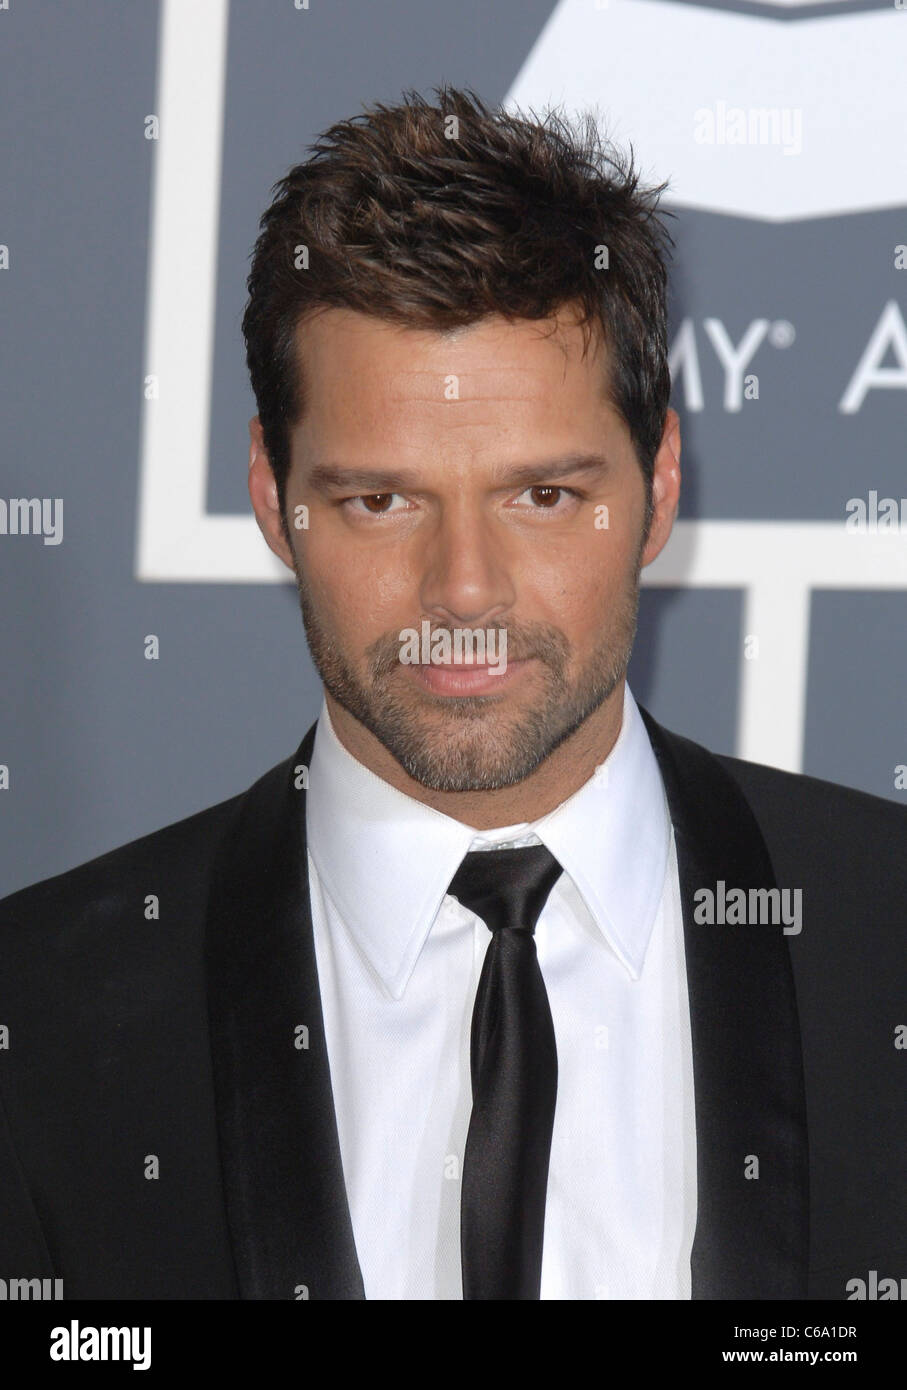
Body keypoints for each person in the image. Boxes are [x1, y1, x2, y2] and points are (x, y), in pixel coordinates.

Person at [1, 87, 904, 1302]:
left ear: (662, 483)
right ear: (275, 497)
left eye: (541, 495)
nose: (463, 590)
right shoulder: (42, 1023)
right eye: (383, 499)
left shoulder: (881, 941)